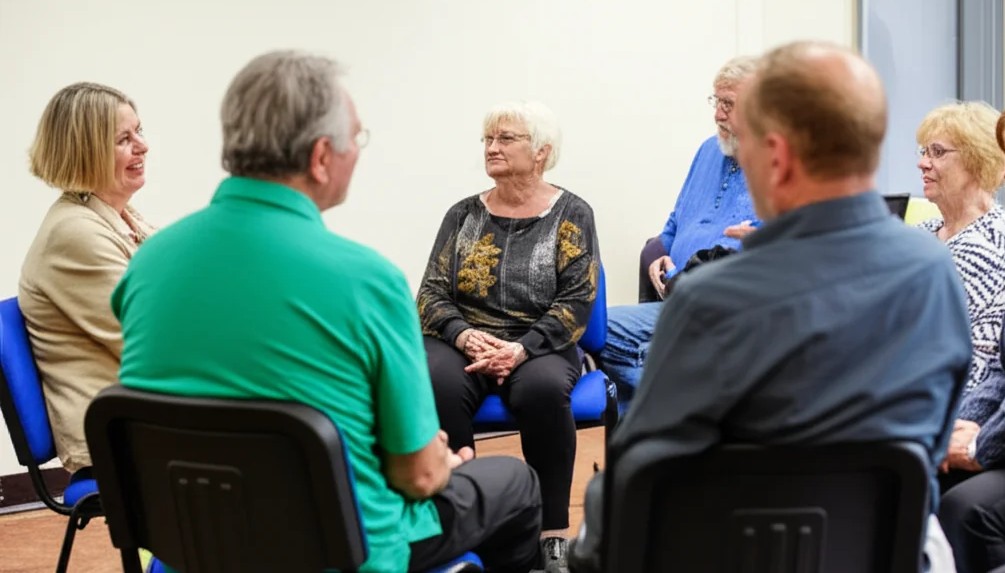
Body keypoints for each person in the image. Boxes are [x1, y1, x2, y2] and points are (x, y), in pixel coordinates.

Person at [114, 52, 542, 573]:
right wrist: (439, 461)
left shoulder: (148, 265)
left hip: (197, 547)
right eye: (355, 140)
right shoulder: (368, 280)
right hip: (344, 550)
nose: (356, 154)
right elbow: (419, 478)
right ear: (321, 157)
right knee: (516, 483)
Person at [569, 41, 972, 573]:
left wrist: (587, 549)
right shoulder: (934, 275)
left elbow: (635, 487)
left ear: (777, 157)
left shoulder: (711, 300)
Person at [418, 100, 599, 573]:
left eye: (504, 139)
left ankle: (551, 533)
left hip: (540, 341)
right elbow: (431, 294)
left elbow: (578, 301)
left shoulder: (572, 214)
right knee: (437, 382)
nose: (491, 148)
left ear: (541, 152)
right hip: (466, 340)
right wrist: (464, 337)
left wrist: (521, 348)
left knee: (541, 390)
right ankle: (468, 516)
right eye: (488, 139)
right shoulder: (462, 215)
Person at [601, 55, 760, 402]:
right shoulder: (708, 150)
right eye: (716, 102)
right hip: (676, 296)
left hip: (726, 309)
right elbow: (674, 223)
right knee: (594, 330)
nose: (718, 114)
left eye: (728, 104)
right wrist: (658, 256)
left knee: (606, 335)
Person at [18, 82, 154, 481]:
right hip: (120, 431)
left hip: (146, 412)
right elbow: (149, 340)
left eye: (139, 131)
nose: (143, 146)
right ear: (86, 150)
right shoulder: (74, 233)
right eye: (124, 139)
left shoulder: (119, 215)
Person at [938, 98, 1005, 573]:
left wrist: (979, 445)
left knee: (968, 509)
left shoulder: (993, 243)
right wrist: (962, 429)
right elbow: (1003, 365)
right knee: (937, 478)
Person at [916, 101, 1005, 391]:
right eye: (924, 151)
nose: (923, 162)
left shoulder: (993, 243)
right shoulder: (921, 234)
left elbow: (979, 362)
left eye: (937, 152)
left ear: (978, 159)